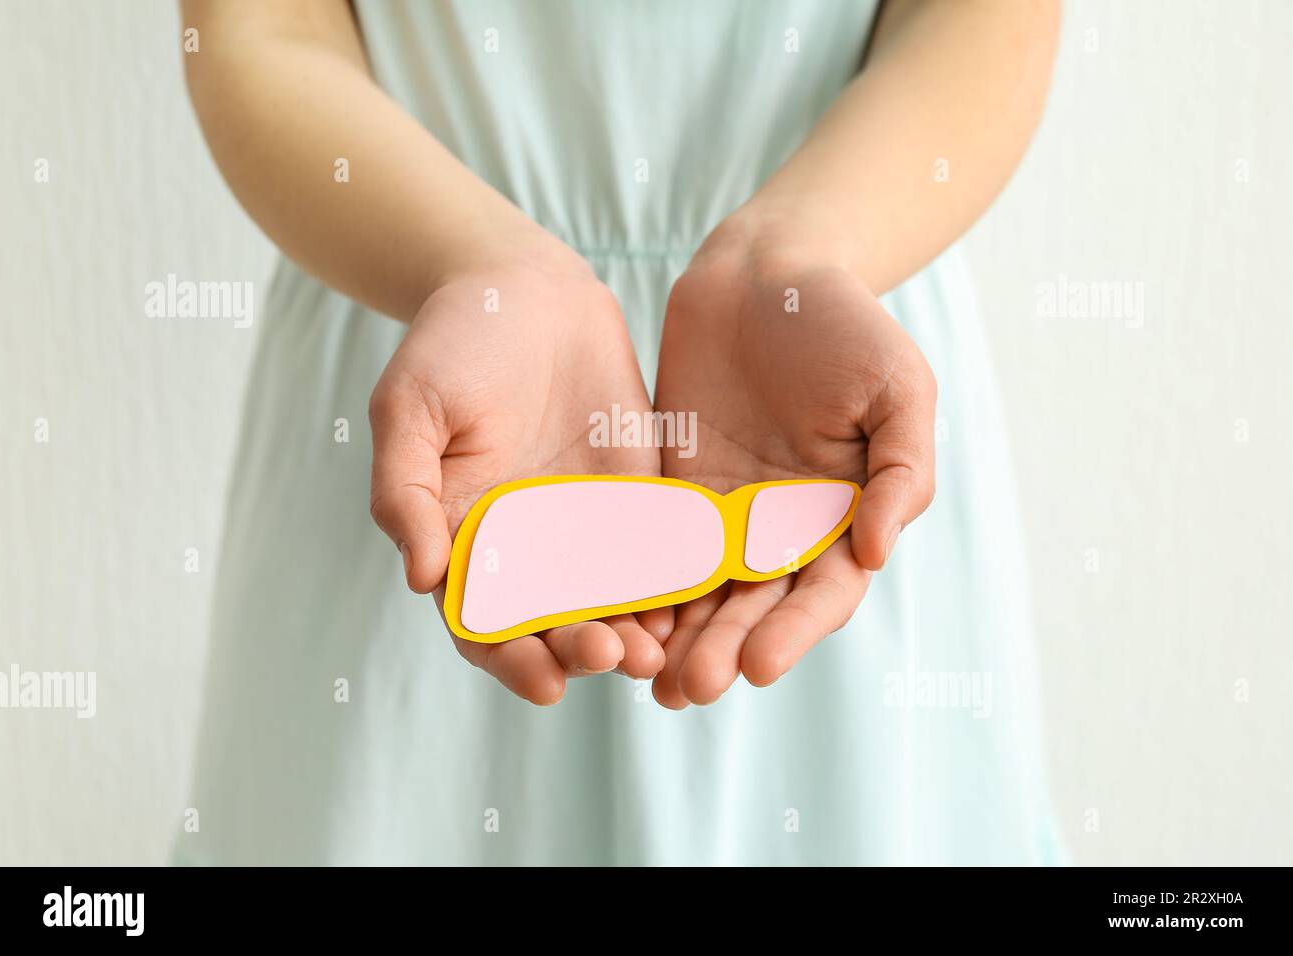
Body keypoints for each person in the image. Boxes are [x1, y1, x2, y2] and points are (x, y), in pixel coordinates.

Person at [177, 0, 1065, 865]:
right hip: (447, 365)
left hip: (817, 366)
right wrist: (482, 268)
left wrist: (795, 258)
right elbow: (260, 23)